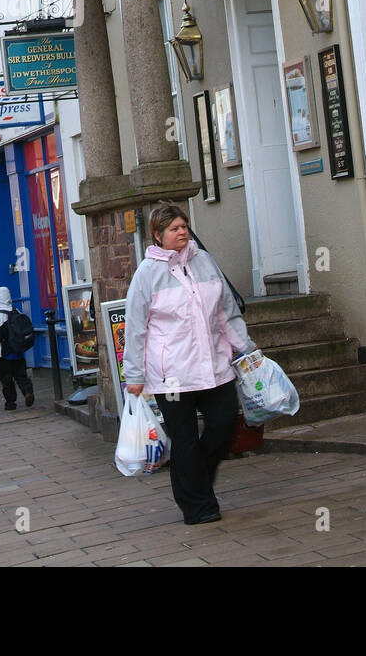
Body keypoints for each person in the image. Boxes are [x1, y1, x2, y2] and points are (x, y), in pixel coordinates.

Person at [123, 203, 254, 525]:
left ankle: (194, 483)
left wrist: (246, 349)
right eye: (174, 229)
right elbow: (136, 327)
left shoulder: (204, 261)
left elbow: (226, 311)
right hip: (172, 375)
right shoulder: (147, 274)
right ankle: (198, 506)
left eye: (184, 226)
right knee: (184, 440)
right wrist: (134, 375)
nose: (181, 232)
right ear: (158, 235)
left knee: (223, 427)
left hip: (215, 366)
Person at [0, 287, 34, 411]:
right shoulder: (15, 311)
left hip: (4, 354)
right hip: (18, 351)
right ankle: (27, 391)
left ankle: (10, 402)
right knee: (21, 375)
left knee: (6, 379)